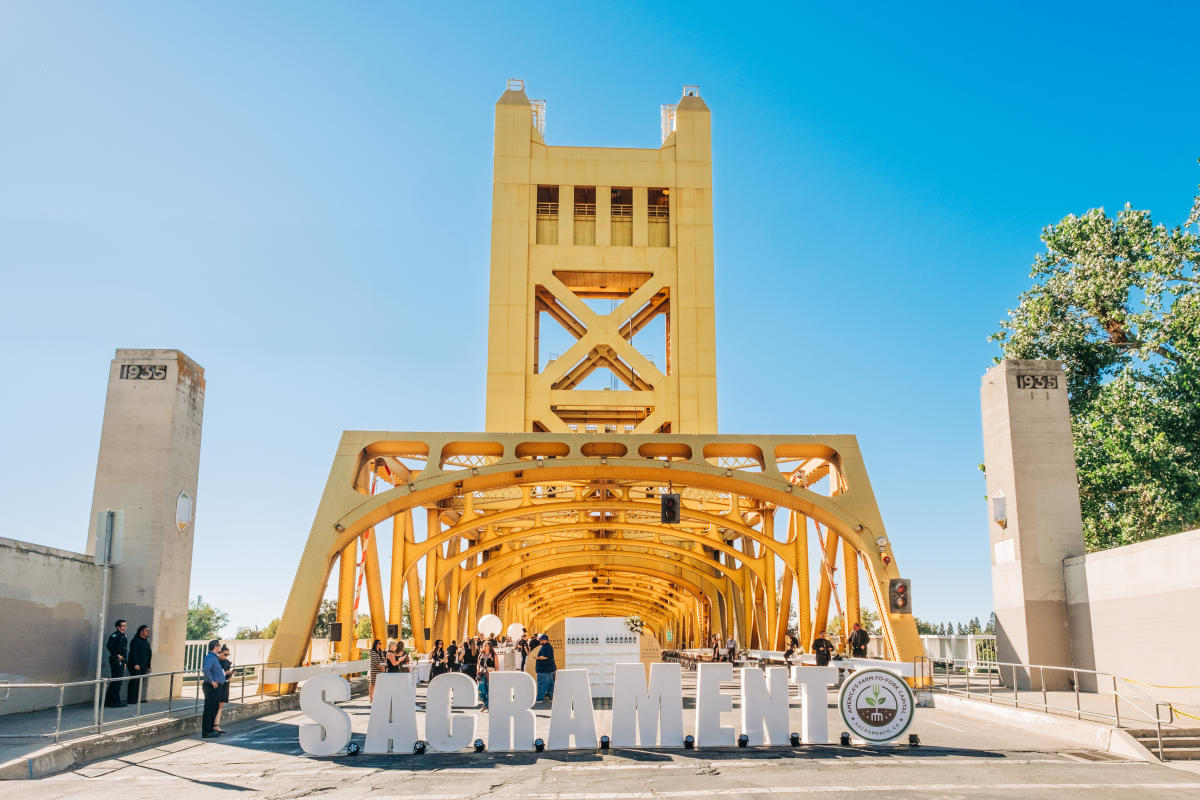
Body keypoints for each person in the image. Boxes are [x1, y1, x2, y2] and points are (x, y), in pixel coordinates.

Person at [201, 640, 226, 738]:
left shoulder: (214, 657)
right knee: (209, 709)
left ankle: (211, 730)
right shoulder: (211, 657)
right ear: (216, 647)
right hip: (212, 687)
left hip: (216, 686)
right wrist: (212, 681)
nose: (221, 648)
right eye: (220, 646)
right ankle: (206, 732)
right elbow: (206, 669)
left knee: (214, 708)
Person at [104, 619, 129, 707]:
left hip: (121, 661)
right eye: (123, 626)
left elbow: (124, 650)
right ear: (118, 627)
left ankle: (109, 701)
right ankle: (114, 701)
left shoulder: (124, 636)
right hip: (116, 660)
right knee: (117, 681)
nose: (125, 627)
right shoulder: (115, 635)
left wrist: (125, 662)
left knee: (116, 680)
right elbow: (109, 646)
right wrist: (117, 655)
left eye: (125, 625)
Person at [126, 625, 152, 705]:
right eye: (146, 631)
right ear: (141, 632)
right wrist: (135, 664)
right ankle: (130, 699)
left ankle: (136, 699)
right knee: (134, 682)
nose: (148, 632)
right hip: (136, 665)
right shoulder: (135, 641)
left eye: (148, 631)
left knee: (140, 682)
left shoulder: (145, 641)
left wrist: (148, 666)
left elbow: (148, 654)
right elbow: (133, 653)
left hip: (143, 665)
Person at [214, 645, 233, 733]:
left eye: (228, 655)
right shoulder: (215, 661)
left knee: (221, 705)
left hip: (225, 684)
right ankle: (213, 725)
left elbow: (228, 676)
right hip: (217, 685)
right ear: (219, 653)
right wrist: (225, 673)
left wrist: (230, 674)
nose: (226, 656)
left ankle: (216, 725)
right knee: (215, 705)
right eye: (225, 654)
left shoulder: (227, 662)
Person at [534, 633, 556, 702]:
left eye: (540, 640)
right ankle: (551, 697)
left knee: (541, 684)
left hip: (544, 669)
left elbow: (545, 656)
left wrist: (537, 658)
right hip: (549, 669)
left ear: (544, 640)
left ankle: (539, 698)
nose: (539, 641)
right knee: (550, 684)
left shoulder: (546, 647)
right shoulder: (547, 646)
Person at [476, 640, 496, 711]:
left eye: (486, 645)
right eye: (483, 645)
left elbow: (497, 666)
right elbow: (478, 664)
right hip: (482, 674)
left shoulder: (493, 655)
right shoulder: (481, 654)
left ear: (489, 647)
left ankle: (486, 705)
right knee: (480, 691)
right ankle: (486, 704)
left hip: (490, 674)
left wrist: (496, 675)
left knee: (489, 691)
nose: (484, 646)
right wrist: (478, 671)